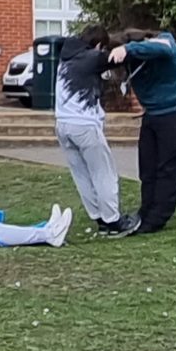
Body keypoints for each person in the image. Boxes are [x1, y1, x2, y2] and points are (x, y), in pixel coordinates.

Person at [107, 24, 176, 234]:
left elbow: (164, 47)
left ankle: (156, 219)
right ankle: (146, 212)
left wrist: (127, 50)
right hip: (153, 115)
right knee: (148, 167)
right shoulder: (132, 63)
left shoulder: (163, 42)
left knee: (168, 169)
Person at [55, 25, 128, 235]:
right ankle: (113, 221)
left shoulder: (66, 59)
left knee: (82, 175)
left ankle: (99, 217)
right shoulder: (92, 58)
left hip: (62, 125)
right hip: (84, 125)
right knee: (103, 173)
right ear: (98, 45)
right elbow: (118, 58)